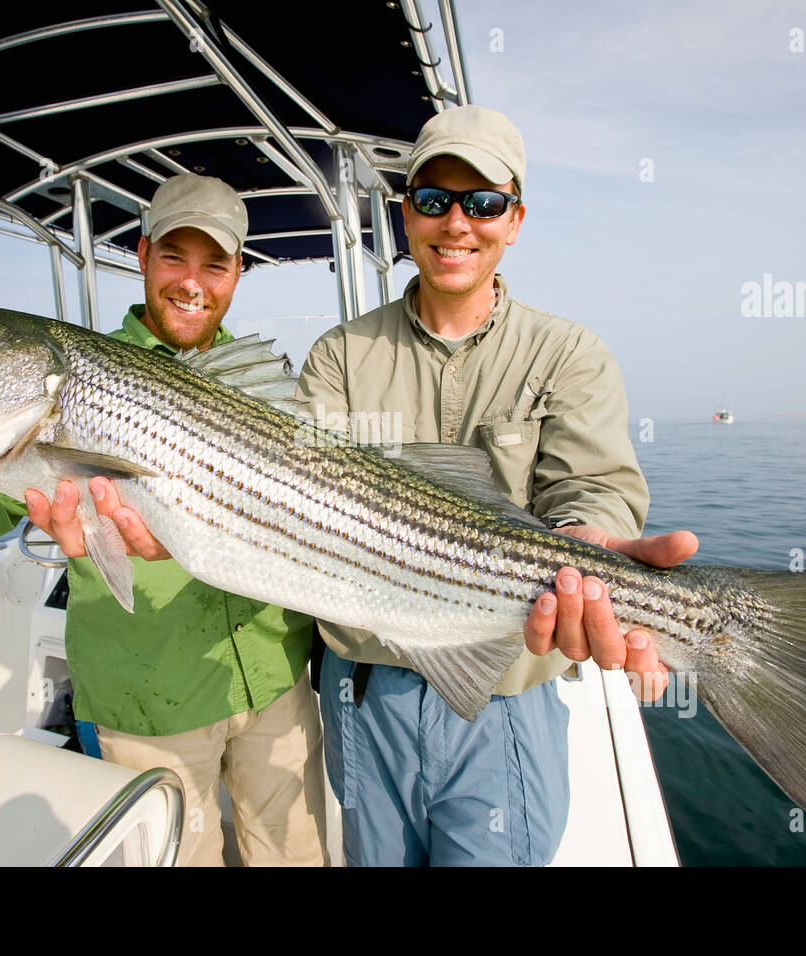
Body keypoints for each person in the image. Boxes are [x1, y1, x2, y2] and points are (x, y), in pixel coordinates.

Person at [0, 173, 328, 867]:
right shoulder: (61, 385)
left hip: (277, 683)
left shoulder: (269, 388)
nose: (192, 282)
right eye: (174, 257)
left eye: (215, 264)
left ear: (237, 273)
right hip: (149, 704)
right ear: (142, 257)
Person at [295, 105, 699, 866]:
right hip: (365, 693)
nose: (457, 223)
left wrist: (589, 542)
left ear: (514, 220)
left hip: (505, 692)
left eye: (483, 203)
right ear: (404, 214)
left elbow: (591, 489)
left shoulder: (568, 352)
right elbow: (302, 498)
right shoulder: (338, 356)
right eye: (434, 199)